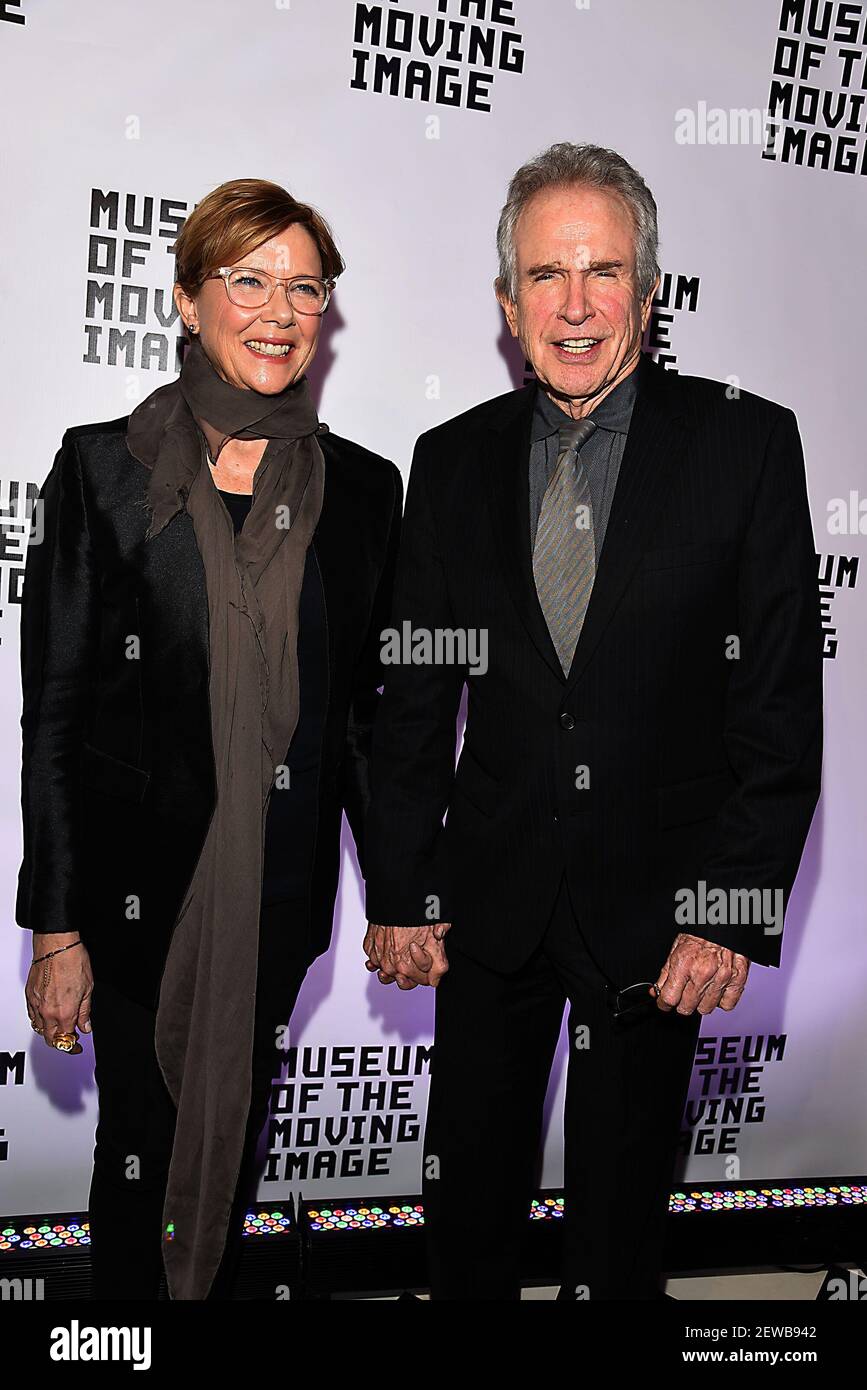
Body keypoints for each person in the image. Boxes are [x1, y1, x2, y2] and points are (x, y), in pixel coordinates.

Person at [363, 142, 823, 1300]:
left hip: (662, 925)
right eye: (546, 276)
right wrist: (403, 888)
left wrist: (728, 914)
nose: (575, 306)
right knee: (466, 1223)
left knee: (621, 1249)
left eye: (603, 272)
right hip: (488, 911)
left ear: (650, 292)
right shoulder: (451, 460)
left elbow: (780, 717)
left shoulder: (747, 445)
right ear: (507, 301)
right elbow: (414, 699)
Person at [16, 177, 402, 1300]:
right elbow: (58, 715)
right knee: (135, 1157)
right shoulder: (102, 471)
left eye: (305, 287)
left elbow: (368, 720)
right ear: (189, 299)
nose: (279, 310)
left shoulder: (366, 493)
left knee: (232, 1151)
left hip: (275, 901)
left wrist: (399, 889)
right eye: (248, 280)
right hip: (136, 900)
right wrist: (55, 926)